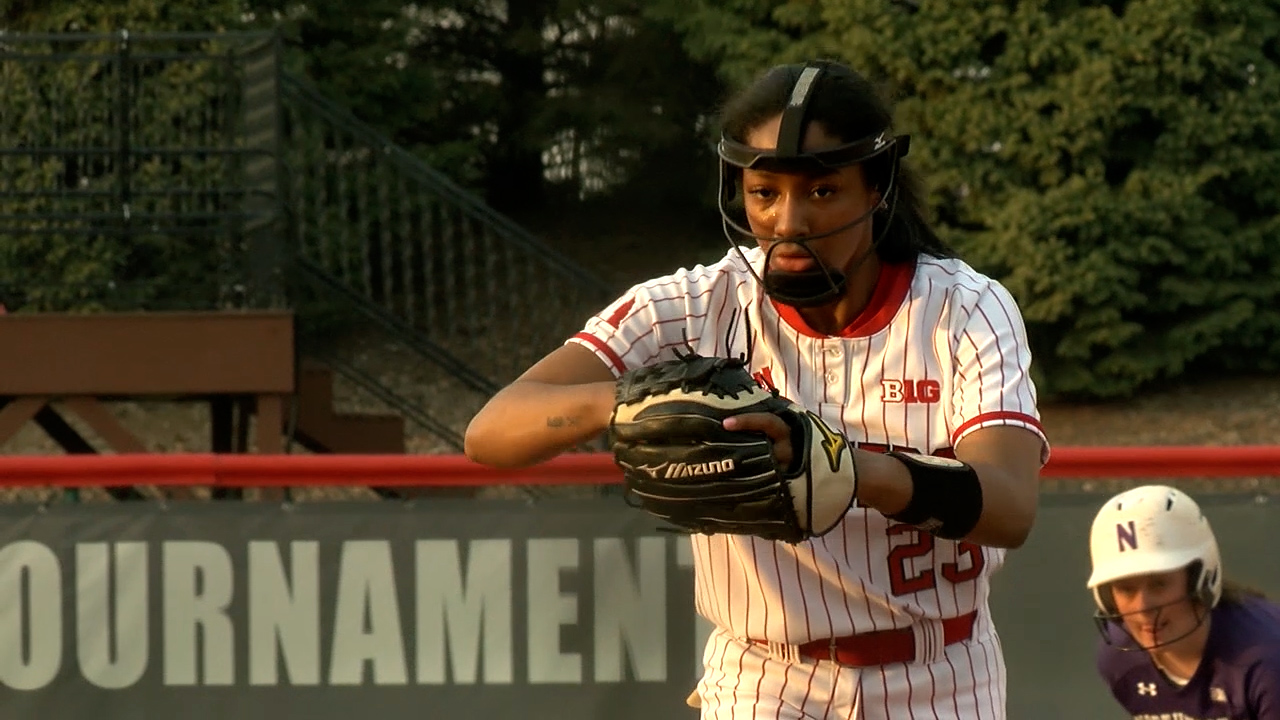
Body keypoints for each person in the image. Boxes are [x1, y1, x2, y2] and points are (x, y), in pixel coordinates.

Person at [465, 59, 1049, 718]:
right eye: (764, 192)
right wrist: (640, 400)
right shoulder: (695, 305)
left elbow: (1009, 507)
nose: (788, 221)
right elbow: (492, 432)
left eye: (822, 192)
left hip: (941, 673)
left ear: (876, 188)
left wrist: (843, 468)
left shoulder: (963, 308)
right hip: (765, 677)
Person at [1087, 484, 1280, 719]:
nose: (1142, 608)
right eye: (1126, 589)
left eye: (1159, 584)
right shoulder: (1119, 659)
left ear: (1199, 579)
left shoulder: (1266, 661)